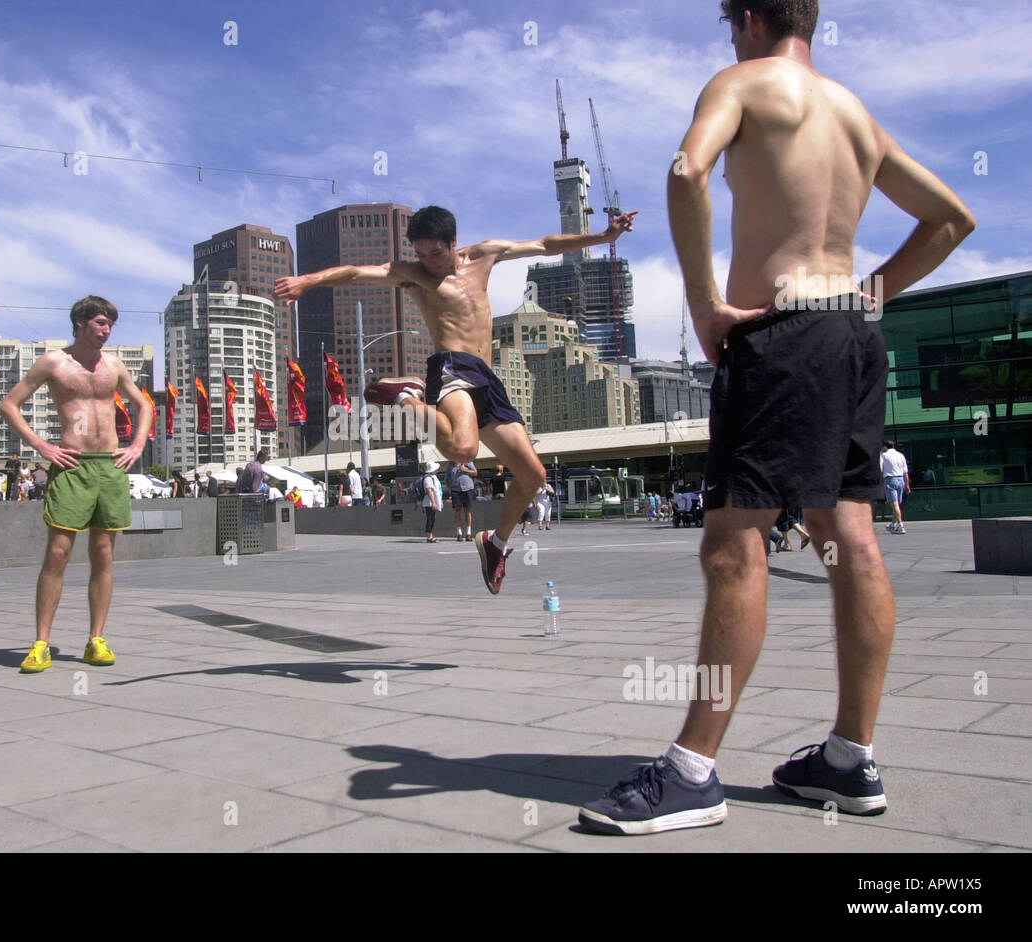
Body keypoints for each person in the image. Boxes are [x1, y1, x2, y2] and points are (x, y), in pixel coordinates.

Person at [578, 0, 974, 835]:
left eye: (727, 18)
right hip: (855, 335)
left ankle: (691, 771)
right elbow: (951, 220)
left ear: (751, 16)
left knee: (734, 543)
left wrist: (706, 307)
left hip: (783, 335)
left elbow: (688, 173)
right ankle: (848, 758)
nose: (727, 33)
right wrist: (871, 295)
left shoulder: (744, 83)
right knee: (850, 535)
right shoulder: (854, 114)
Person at [277, 205, 635, 594]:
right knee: (462, 448)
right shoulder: (411, 275)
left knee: (533, 475)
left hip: (486, 379)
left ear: (454, 244)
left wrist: (603, 237)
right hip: (451, 368)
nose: (428, 262)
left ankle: (495, 544)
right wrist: (308, 280)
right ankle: (410, 398)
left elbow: (546, 245)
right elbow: (355, 273)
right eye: (421, 254)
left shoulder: (485, 255)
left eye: (436, 253)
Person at [0, 295, 151, 674]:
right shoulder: (54, 362)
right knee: (58, 554)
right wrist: (41, 446)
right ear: (80, 323)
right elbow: (9, 404)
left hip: (109, 466)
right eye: (101, 323)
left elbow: (145, 405)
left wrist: (136, 446)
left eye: (110, 324)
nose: (107, 330)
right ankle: (41, 643)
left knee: (103, 553)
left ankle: (95, 639)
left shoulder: (114, 365)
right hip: (71, 464)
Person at [881, 440, 910, 533]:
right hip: (900, 479)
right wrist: (907, 485)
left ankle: (900, 525)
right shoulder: (900, 455)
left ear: (885, 447)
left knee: (894, 505)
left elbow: (881, 469)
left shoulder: (884, 456)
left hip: (890, 479)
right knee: (897, 504)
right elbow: (905, 472)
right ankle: (893, 525)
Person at [421, 460, 443, 543]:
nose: (437, 470)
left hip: (431, 502)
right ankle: (430, 536)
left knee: (432, 518)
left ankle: (430, 535)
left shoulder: (432, 477)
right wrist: (434, 502)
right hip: (429, 502)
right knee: (430, 519)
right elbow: (429, 490)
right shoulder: (428, 478)